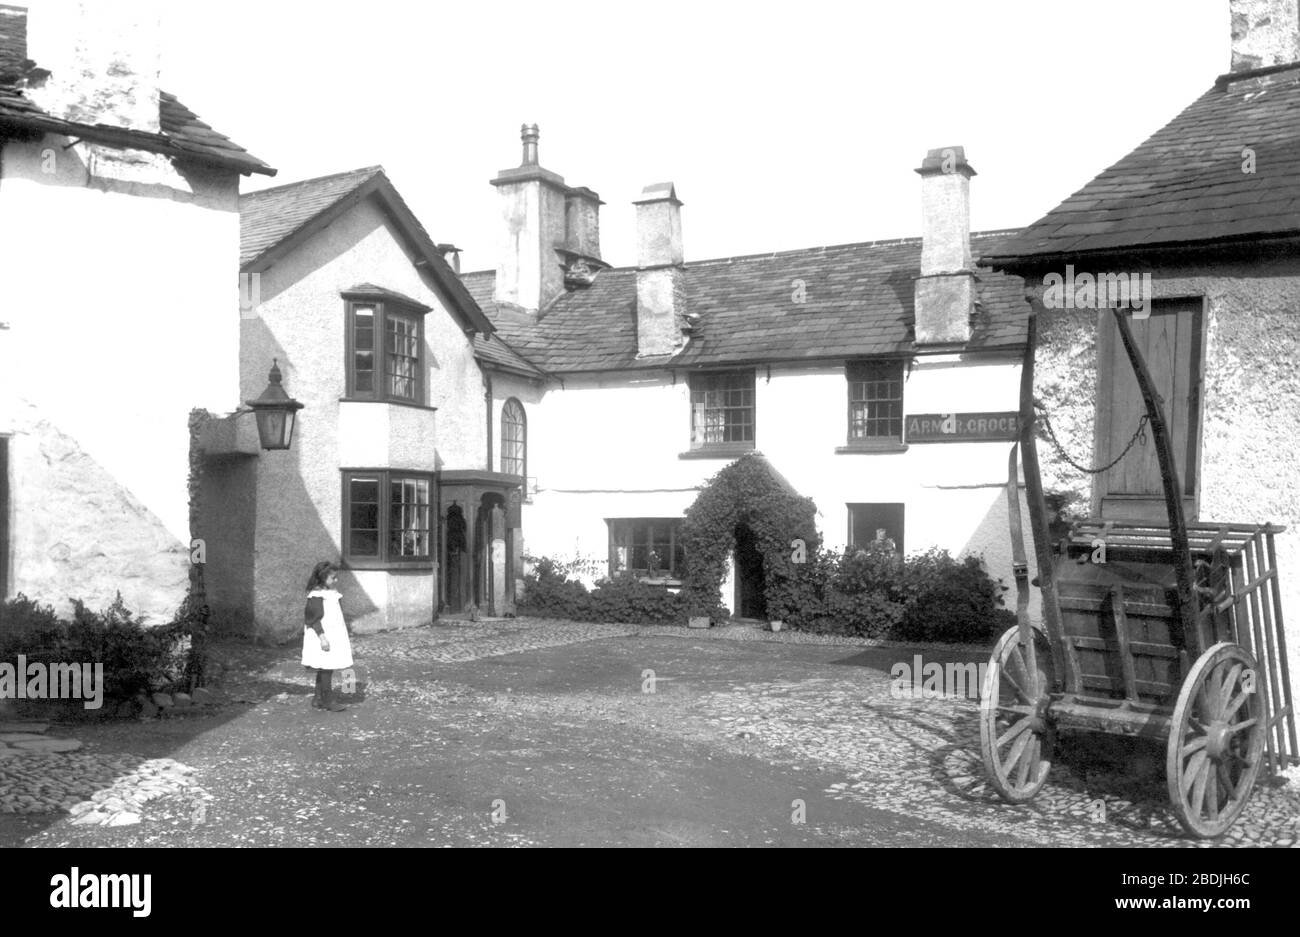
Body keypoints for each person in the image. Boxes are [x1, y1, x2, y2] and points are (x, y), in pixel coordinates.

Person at [303, 561, 353, 712]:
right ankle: (327, 699)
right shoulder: (316, 596)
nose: (336, 580)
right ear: (322, 579)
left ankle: (318, 698)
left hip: (334, 634)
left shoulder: (332, 594)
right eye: (333, 578)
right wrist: (322, 638)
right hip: (322, 636)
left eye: (336, 577)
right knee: (326, 667)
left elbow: (337, 615)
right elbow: (313, 619)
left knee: (326, 667)